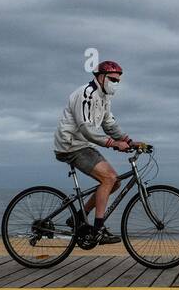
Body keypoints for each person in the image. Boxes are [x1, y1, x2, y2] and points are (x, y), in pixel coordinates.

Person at [53, 59, 143, 244]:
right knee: (109, 178)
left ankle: (79, 217)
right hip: (70, 145)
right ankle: (97, 229)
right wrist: (113, 144)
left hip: (84, 145)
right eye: (113, 79)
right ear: (101, 77)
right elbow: (86, 129)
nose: (116, 84)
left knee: (114, 182)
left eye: (118, 81)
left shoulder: (104, 97)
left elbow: (109, 123)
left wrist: (128, 141)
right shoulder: (86, 94)